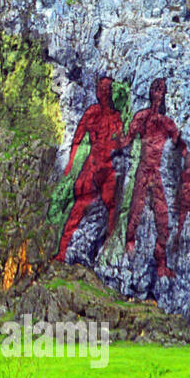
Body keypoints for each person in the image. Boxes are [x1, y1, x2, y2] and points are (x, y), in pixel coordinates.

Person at [53, 76, 125, 263]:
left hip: (107, 167)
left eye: (107, 89)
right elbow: (77, 138)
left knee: (112, 207)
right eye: (101, 89)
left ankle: (109, 253)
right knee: (78, 206)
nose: (103, 93)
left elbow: (122, 141)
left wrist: (117, 143)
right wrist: (70, 163)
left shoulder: (116, 117)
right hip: (92, 166)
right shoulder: (92, 113)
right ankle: (62, 252)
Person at [120, 77, 181, 279]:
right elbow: (126, 140)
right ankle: (129, 242)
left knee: (163, 217)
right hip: (143, 169)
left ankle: (161, 261)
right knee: (136, 209)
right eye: (155, 88)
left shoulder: (167, 123)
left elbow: (179, 144)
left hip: (156, 172)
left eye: (161, 89)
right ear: (150, 91)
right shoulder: (142, 117)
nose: (158, 92)